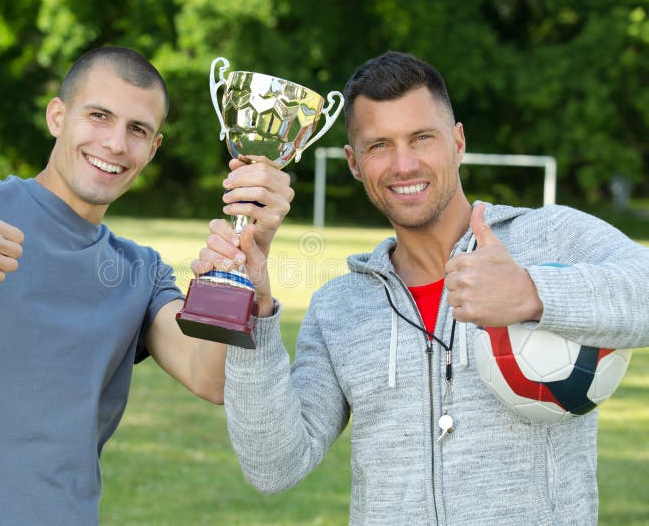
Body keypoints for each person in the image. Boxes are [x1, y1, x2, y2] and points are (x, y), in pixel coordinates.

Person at [195, 51, 649, 525]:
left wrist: (531, 292)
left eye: (421, 138)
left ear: (458, 141)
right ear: (353, 163)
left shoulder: (549, 239)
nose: (404, 164)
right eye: (379, 146)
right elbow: (274, 466)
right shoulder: (339, 308)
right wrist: (255, 308)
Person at [0, 46, 293, 525]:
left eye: (137, 129)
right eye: (99, 116)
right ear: (57, 116)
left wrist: (246, 258)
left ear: (153, 148)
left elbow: (210, 379)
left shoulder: (140, 272)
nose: (116, 144)